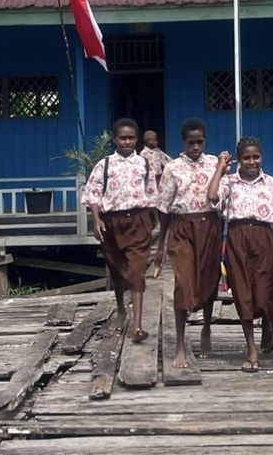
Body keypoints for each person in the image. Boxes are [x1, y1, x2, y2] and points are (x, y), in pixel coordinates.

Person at [208, 135, 273, 373]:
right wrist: (220, 169)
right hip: (237, 238)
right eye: (246, 158)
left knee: (266, 292)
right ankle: (251, 348)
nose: (252, 162)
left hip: (266, 238)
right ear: (239, 159)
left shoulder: (272, 184)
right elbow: (212, 197)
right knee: (243, 293)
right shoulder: (229, 182)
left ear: (262, 157)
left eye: (256, 157)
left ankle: (269, 324)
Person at [82, 117, 160, 344]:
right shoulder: (104, 165)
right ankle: (121, 311)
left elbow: (152, 194)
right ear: (115, 140)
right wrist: (96, 220)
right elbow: (94, 194)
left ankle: (137, 325)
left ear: (137, 139)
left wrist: (153, 223)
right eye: (122, 138)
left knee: (136, 272)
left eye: (131, 137)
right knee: (116, 270)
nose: (127, 142)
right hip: (111, 223)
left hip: (137, 222)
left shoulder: (144, 164)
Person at [154, 118, 220, 369]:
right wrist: (161, 244)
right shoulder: (172, 167)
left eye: (200, 142)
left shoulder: (215, 163)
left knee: (208, 279)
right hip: (182, 228)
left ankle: (206, 328)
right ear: (184, 142)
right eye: (191, 142)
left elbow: (224, 196)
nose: (195, 146)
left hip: (210, 225)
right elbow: (164, 207)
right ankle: (181, 343)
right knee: (183, 282)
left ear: (205, 140)